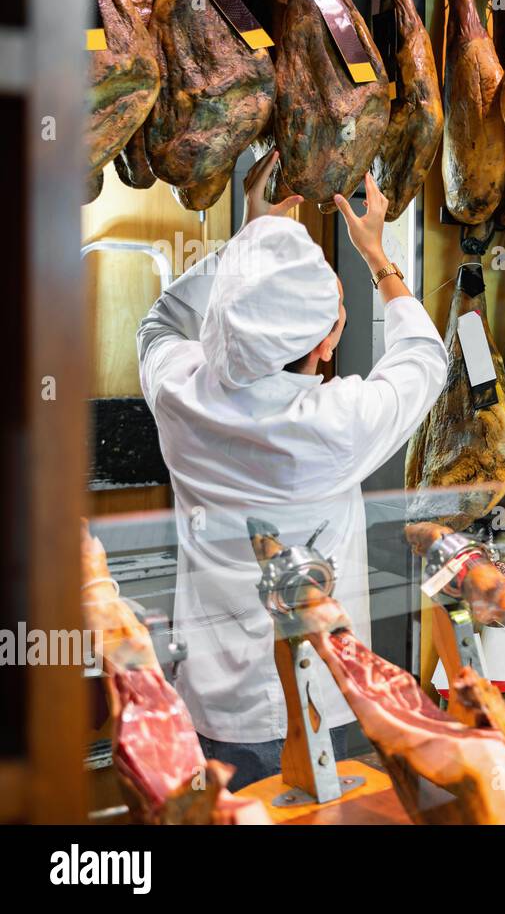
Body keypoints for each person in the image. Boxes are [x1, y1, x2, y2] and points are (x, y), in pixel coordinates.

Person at [135, 151, 449, 785]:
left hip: (213, 706)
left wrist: (245, 249)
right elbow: (423, 357)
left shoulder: (181, 393)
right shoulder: (337, 420)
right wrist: (378, 258)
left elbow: (160, 324)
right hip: (327, 702)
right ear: (326, 343)